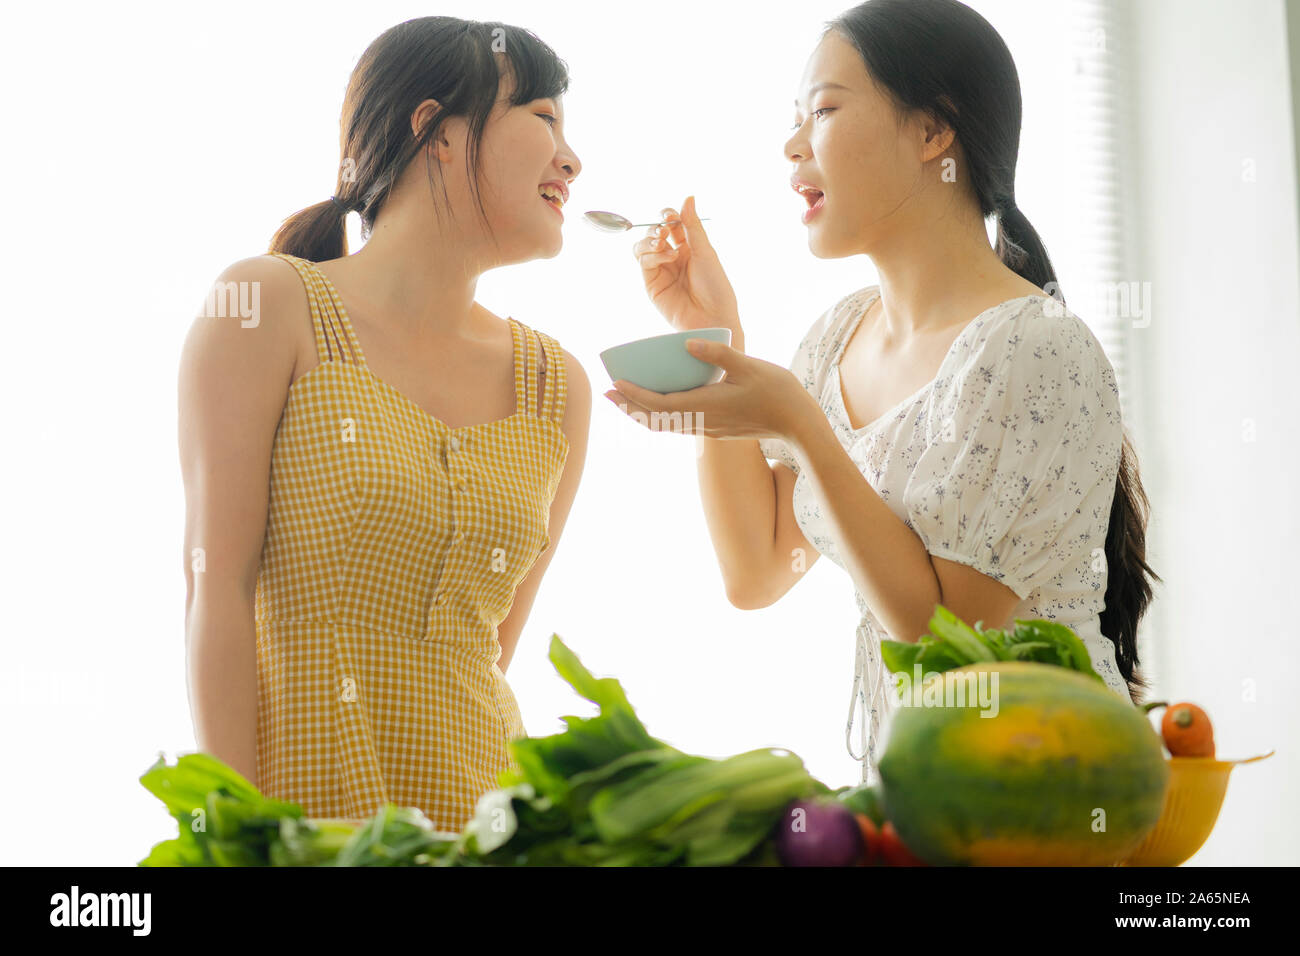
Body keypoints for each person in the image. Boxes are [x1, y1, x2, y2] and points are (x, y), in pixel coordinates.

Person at [606, 0, 1159, 785]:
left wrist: (801, 426)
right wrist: (714, 341)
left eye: (824, 110)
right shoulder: (837, 336)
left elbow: (945, 649)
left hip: (1045, 790)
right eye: (796, 118)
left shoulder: (1033, 347)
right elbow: (757, 571)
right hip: (925, 791)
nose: (793, 144)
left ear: (934, 133)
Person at [178, 16, 591, 830]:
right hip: (306, 824)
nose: (571, 159)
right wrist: (237, 835)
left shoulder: (556, 386)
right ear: (435, 130)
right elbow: (212, 591)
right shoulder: (269, 305)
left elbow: (488, 653)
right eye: (544, 118)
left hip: (488, 828)